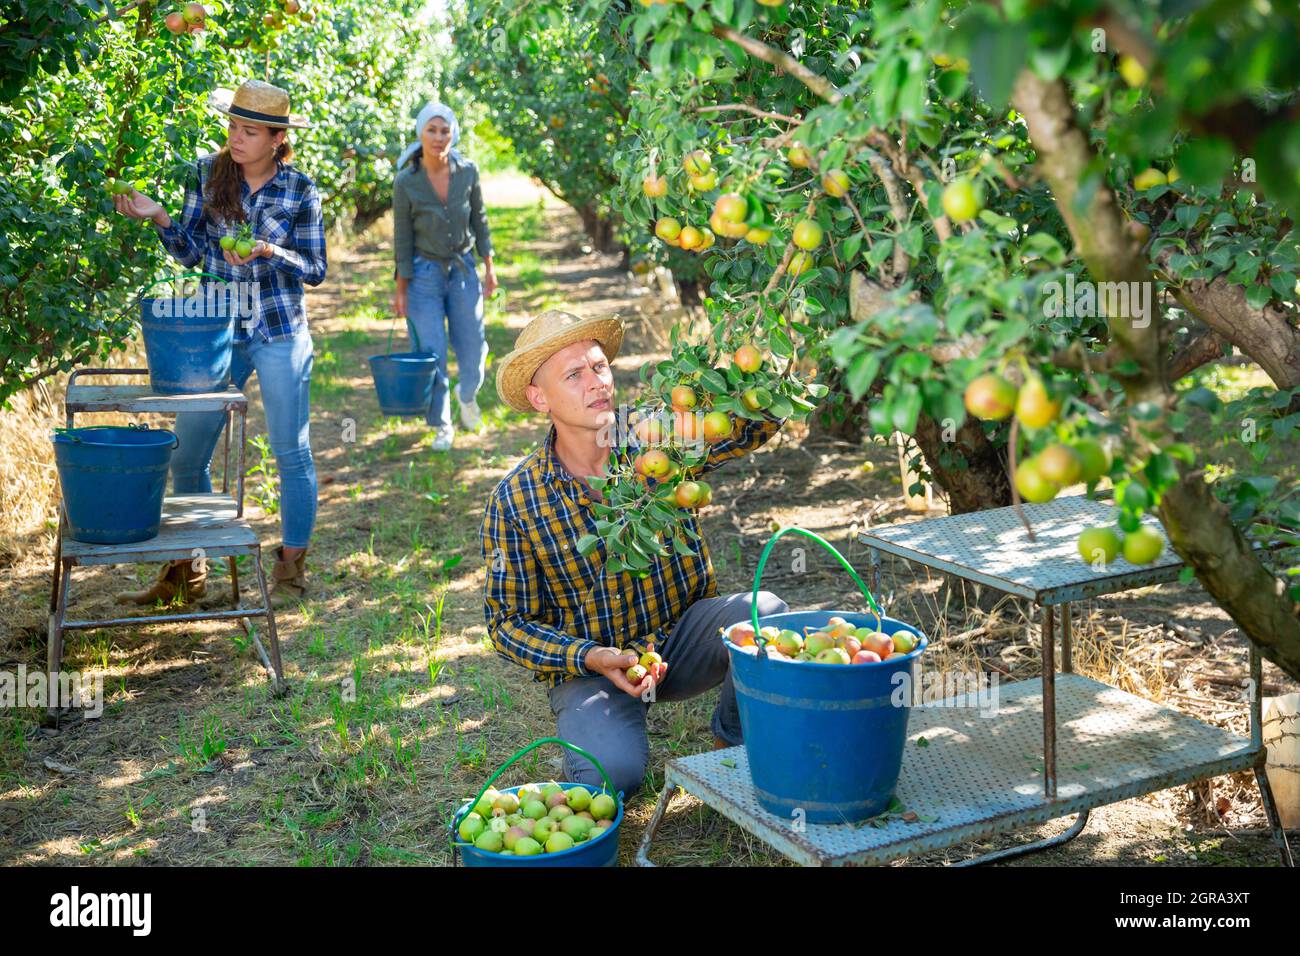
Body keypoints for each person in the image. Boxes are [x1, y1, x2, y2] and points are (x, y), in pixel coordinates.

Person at [479, 309, 789, 797]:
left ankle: (732, 747)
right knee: (611, 777)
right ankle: (606, 742)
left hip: (682, 639)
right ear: (540, 398)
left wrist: (746, 360)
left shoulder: (654, 437)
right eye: (574, 374)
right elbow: (507, 623)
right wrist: (592, 656)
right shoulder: (516, 501)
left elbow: (754, 427)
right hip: (595, 667)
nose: (597, 383)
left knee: (765, 614)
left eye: (599, 367)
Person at [113, 79, 327, 606]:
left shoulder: (300, 189)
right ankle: (188, 566)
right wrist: (160, 218)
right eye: (232, 126)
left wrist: (270, 252)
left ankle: (290, 573)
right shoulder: (206, 176)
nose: (236, 137)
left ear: (277, 138)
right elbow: (188, 253)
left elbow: (317, 268)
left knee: (290, 452)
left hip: (278, 330)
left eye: (249, 130)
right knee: (187, 456)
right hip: (214, 332)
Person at [392, 103, 497, 451]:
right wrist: (402, 289)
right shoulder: (406, 182)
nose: (438, 137)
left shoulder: (467, 171)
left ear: (453, 133)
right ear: (420, 133)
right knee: (430, 351)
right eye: (432, 130)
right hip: (424, 274)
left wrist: (490, 267)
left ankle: (467, 396)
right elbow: (402, 237)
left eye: (445, 130)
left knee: (473, 347)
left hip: (464, 269)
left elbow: (480, 220)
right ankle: (442, 423)